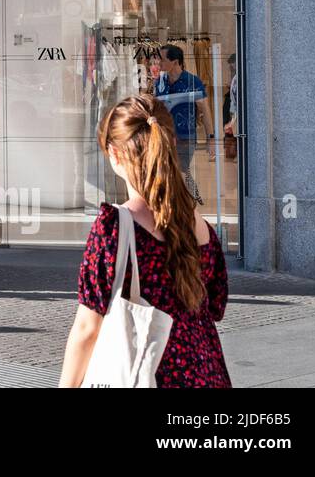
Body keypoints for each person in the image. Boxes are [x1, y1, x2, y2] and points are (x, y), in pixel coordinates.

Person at [58, 95, 230, 388]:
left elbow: (88, 328)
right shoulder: (199, 224)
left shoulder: (114, 227)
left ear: (114, 153)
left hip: (149, 375)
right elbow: (215, 307)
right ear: (171, 145)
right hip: (207, 373)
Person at [153, 45, 214, 205]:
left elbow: (205, 111)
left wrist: (211, 137)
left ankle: (188, 203)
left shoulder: (193, 81)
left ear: (175, 62)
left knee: (179, 170)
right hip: (163, 136)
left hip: (185, 136)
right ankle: (189, 200)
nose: (158, 62)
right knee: (172, 171)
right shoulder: (160, 81)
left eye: (163, 59)